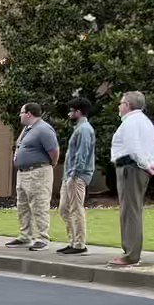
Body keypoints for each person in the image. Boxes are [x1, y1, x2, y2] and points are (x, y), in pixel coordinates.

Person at [110, 91, 154, 266]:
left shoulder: (131, 122)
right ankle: (130, 252)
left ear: (128, 105)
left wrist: (145, 164)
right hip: (138, 169)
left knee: (129, 211)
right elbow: (153, 148)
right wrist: (152, 164)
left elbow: (133, 148)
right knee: (133, 209)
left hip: (130, 169)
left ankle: (131, 255)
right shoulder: (146, 122)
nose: (119, 106)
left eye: (121, 103)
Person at [6, 102, 59, 251]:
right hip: (23, 173)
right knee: (23, 206)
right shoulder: (27, 130)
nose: (20, 115)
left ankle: (42, 238)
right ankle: (25, 236)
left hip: (38, 172)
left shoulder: (44, 129)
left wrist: (51, 164)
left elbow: (54, 151)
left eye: (21, 112)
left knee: (39, 204)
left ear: (29, 114)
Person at [57, 98, 96, 255]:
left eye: (71, 111)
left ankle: (79, 244)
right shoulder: (80, 128)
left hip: (77, 175)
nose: (69, 114)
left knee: (75, 208)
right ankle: (73, 240)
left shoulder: (85, 129)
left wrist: (74, 174)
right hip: (70, 175)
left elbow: (82, 153)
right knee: (64, 209)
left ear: (78, 112)